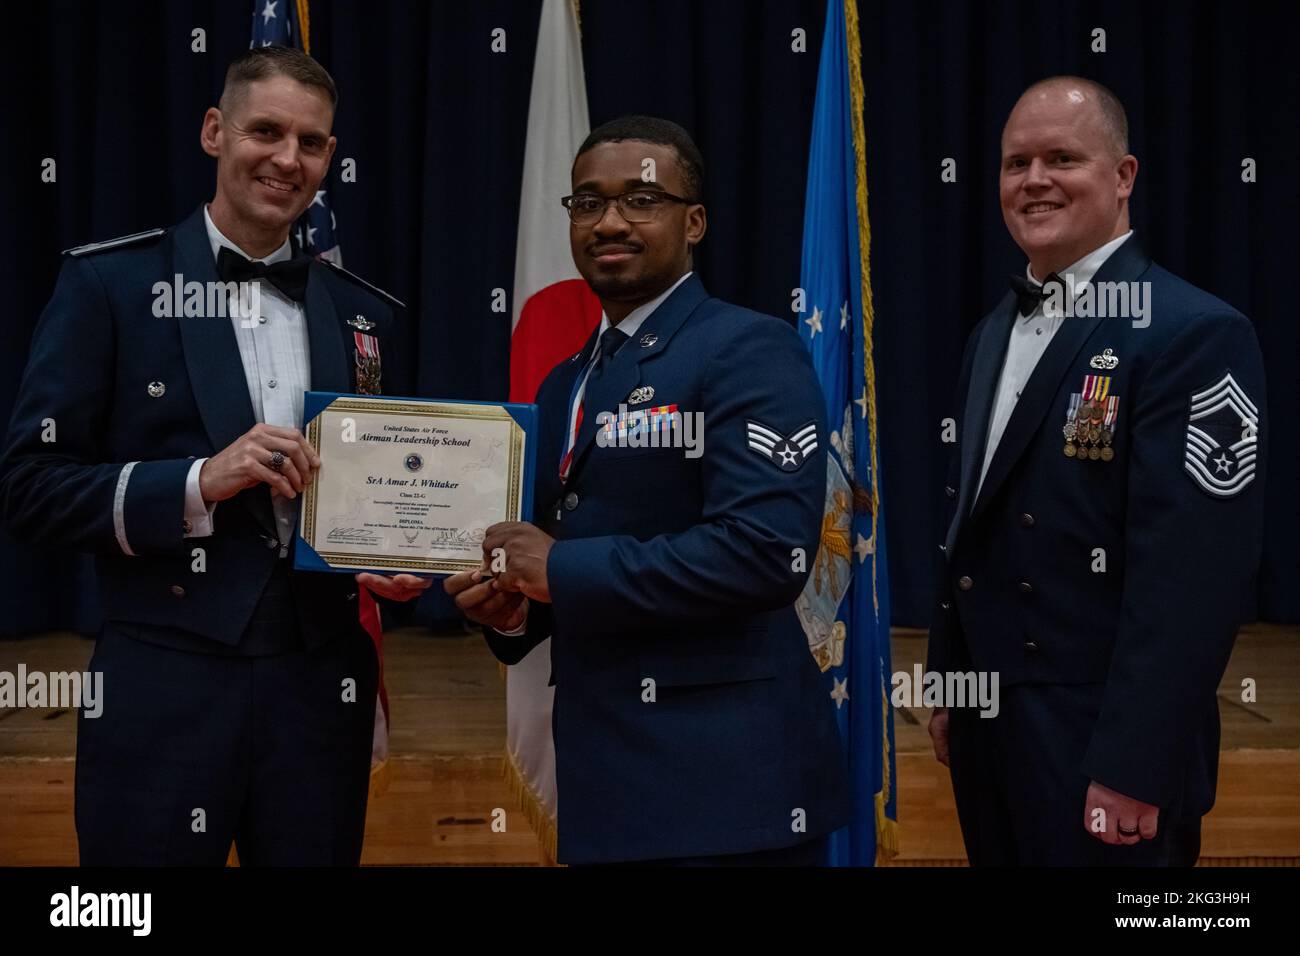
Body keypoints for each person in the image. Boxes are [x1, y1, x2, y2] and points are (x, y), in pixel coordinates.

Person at [0, 46, 430, 865]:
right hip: (162, 683)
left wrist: (388, 554)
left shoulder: (365, 311)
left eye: (310, 143)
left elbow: (379, 487)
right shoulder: (109, 287)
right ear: (213, 132)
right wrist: (200, 482)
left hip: (319, 688)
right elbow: (30, 489)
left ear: (330, 158)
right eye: (264, 131)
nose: (286, 158)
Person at [446, 116, 849, 865]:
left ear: (694, 221)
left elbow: (764, 554)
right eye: (587, 202)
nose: (609, 222)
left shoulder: (747, 348)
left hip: (727, 789)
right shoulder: (568, 379)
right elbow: (568, 550)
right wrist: (510, 612)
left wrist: (556, 570)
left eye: (641, 200)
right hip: (607, 782)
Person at [926, 76, 1267, 865]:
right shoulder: (991, 331)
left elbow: (1194, 581)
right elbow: (969, 525)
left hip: (1102, 744)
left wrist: (1133, 763)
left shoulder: (1194, 332)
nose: (1034, 180)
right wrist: (951, 683)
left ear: (1123, 177)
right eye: (1016, 164)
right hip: (991, 725)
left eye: (1061, 158)